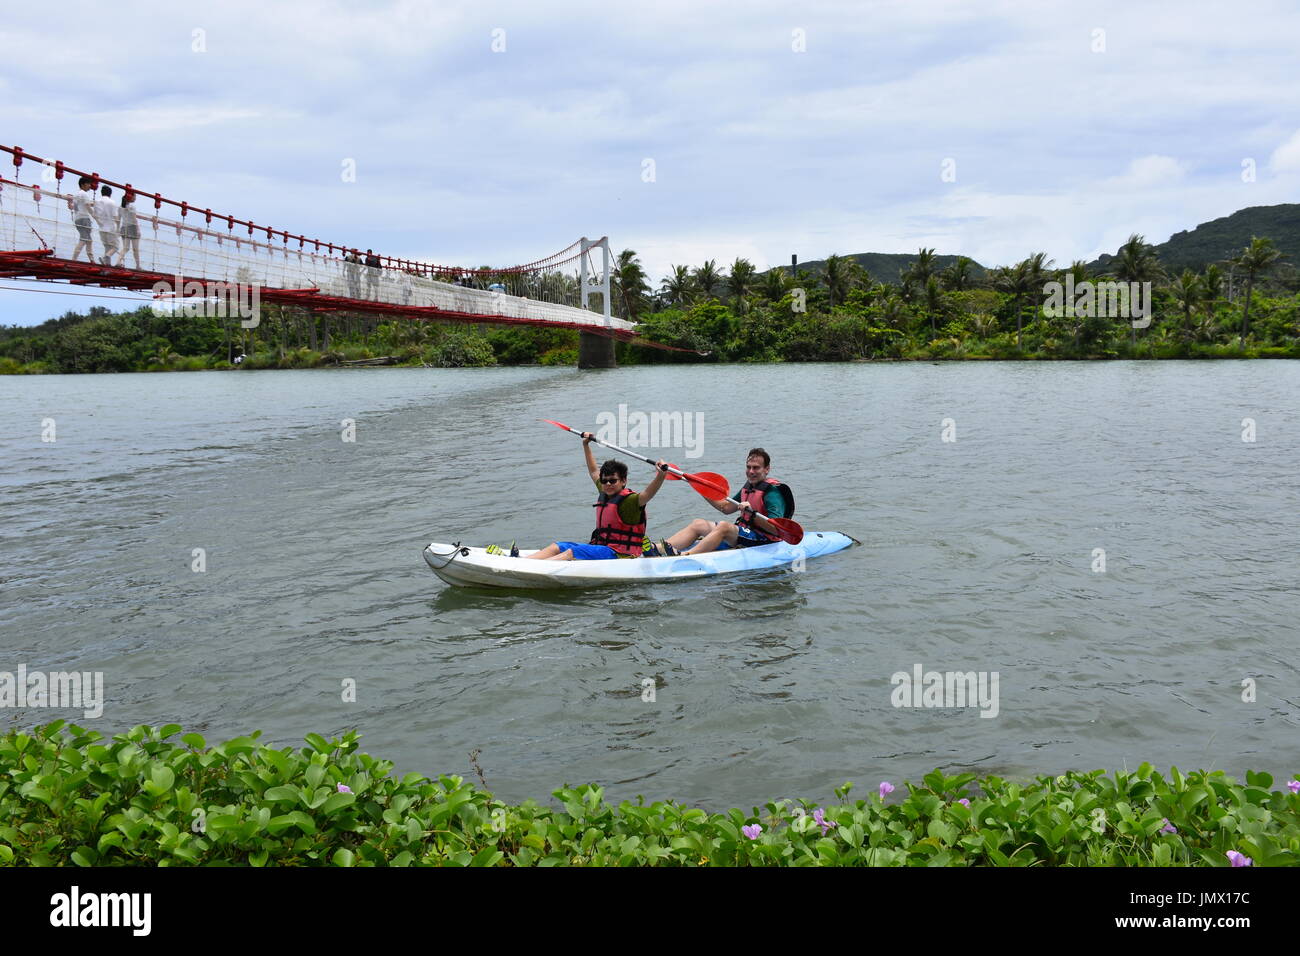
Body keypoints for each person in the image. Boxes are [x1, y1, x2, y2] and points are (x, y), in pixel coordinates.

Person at [520, 432, 670, 560]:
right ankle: (523, 563)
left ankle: (537, 567)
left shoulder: (630, 501)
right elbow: (593, 472)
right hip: (602, 548)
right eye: (605, 481)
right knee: (558, 546)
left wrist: (661, 475)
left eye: (613, 480)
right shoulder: (605, 491)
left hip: (621, 554)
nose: (608, 484)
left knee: (573, 552)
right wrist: (586, 445)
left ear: (624, 481)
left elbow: (648, 493)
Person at [660, 447, 794, 556]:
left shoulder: (773, 492)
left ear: (767, 469)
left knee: (724, 526)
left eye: (756, 468)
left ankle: (686, 556)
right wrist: (698, 486)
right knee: (698, 524)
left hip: (765, 539)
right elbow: (725, 508)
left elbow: (777, 531)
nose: (751, 471)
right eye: (748, 467)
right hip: (746, 532)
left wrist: (753, 515)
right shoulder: (749, 487)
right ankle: (659, 548)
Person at [67, 176, 97, 263]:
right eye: (88, 184)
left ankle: (91, 259)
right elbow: (87, 206)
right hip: (84, 218)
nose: (90, 186)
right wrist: (95, 216)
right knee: (84, 239)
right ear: (83, 184)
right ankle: (74, 259)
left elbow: (74, 207)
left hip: (77, 218)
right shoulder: (84, 194)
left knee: (88, 239)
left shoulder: (77, 195)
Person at [92, 185, 120, 265]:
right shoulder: (112, 202)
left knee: (107, 247)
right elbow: (116, 217)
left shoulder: (97, 201)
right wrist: (118, 228)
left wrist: (99, 222)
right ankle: (105, 257)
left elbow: (94, 215)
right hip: (110, 228)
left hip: (101, 228)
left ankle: (107, 265)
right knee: (115, 247)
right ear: (110, 194)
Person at [115, 191, 141, 269]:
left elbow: (118, 219)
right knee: (135, 249)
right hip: (132, 227)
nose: (135, 198)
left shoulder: (120, 207)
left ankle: (118, 262)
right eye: (135, 196)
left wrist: (118, 229)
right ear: (131, 197)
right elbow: (134, 219)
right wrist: (138, 230)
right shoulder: (132, 207)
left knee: (125, 248)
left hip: (123, 227)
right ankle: (138, 266)